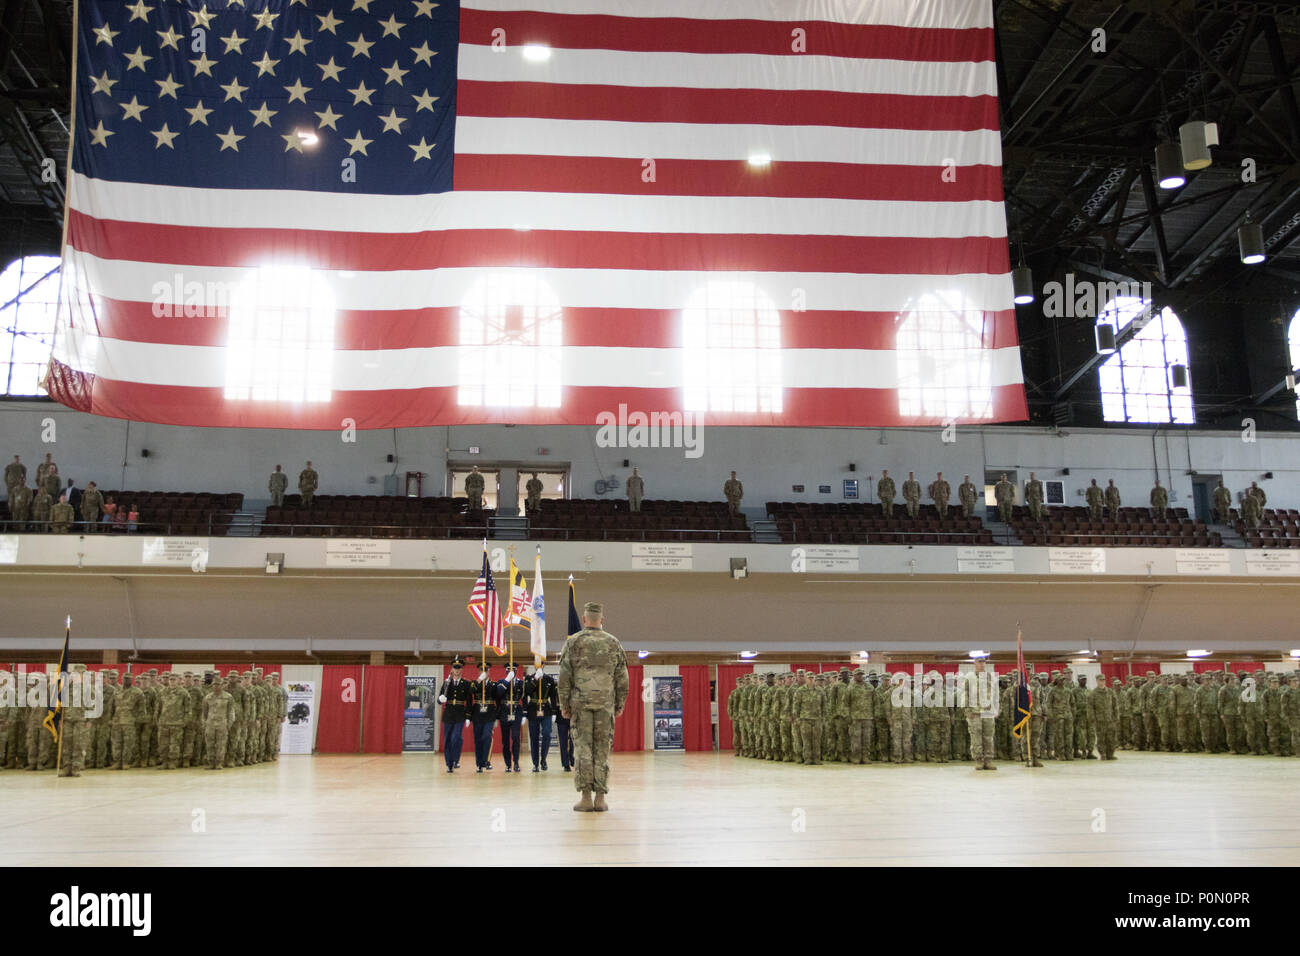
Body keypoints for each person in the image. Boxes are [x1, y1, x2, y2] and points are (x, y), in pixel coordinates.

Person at [558, 601, 629, 812]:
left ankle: (586, 798)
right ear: (602, 620)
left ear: (584, 619)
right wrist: (620, 703)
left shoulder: (573, 642)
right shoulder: (613, 643)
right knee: (602, 749)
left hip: (581, 705)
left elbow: (564, 677)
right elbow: (623, 677)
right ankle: (600, 798)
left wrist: (564, 704)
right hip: (605, 704)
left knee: (583, 749)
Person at [436, 658, 471, 772]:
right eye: (455, 668)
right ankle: (449, 764)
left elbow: (469, 701)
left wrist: (468, 716)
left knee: (456, 738)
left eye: (459, 668)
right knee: (447, 740)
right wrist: (440, 699)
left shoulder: (466, 684)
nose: (457, 670)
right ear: (452, 669)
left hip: (460, 714)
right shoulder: (447, 683)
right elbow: (440, 699)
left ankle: (455, 759)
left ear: (462, 669)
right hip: (448, 714)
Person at [524, 663, 558, 771]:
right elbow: (527, 692)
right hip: (533, 709)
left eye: (541, 664)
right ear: (534, 665)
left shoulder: (549, 679)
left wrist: (554, 712)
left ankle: (543, 759)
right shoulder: (529, 678)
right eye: (537, 663)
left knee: (547, 734)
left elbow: (553, 696)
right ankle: (535, 763)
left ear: (543, 665)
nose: (539, 665)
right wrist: (535, 679)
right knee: (534, 737)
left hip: (546, 710)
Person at [964, 660, 997, 771]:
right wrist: (967, 710)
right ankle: (979, 760)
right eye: (979, 662)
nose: (982, 664)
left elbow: (996, 694)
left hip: (988, 712)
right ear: (975, 664)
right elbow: (965, 694)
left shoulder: (991, 677)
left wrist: (996, 709)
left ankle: (988, 760)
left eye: (983, 662)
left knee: (989, 737)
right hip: (975, 712)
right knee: (976, 737)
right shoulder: (969, 678)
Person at [202, 674, 236, 770]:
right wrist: (204, 724)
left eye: (218, 684)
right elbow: (204, 712)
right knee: (209, 744)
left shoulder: (228, 697)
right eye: (214, 685)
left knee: (221, 745)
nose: (216, 686)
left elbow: (231, 712)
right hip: (210, 725)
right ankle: (211, 763)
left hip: (222, 725)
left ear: (222, 685)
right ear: (212, 685)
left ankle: (219, 763)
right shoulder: (207, 697)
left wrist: (229, 725)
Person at [468, 668, 497, 772]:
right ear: (479, 672)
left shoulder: (494, 684)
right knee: (478, 739)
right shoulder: (474, 683)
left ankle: (486, 761)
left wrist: (496, 717)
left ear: (489, 672)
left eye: (486, 670)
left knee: (487, 736)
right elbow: (471, 691)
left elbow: (497, 698)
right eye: (481, 670)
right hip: (477, 714)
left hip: (489, 714)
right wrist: (479, 679)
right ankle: (479, 763)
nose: (483, 672)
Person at [496, 668, 525, 772]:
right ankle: (508, 764)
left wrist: (524, 714)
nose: (511, 673)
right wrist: (507, 680)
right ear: (506, 672)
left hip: (516, 711)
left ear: (516, 672)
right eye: (508, 671)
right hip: (504, 712)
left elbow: (524, 698)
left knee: (516, 737)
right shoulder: (501, 682)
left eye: (513, 671)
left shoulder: (521, 683)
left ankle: (516, 762)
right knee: (505, 741)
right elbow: (498, 694)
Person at [793, 669, 825, 765]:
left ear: (814, 679)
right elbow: (796, 705)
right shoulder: (800, 691)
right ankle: (807, 758)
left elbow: (824, 705)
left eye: (812, 678)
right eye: (809, 678)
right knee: (806, 740)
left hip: (817, 719)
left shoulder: (820, 690)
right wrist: (797, 718)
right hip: (805, 719)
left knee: (817, 740)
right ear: (806, 679)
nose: (811, 680)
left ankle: (816, 758)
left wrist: (824, 718)